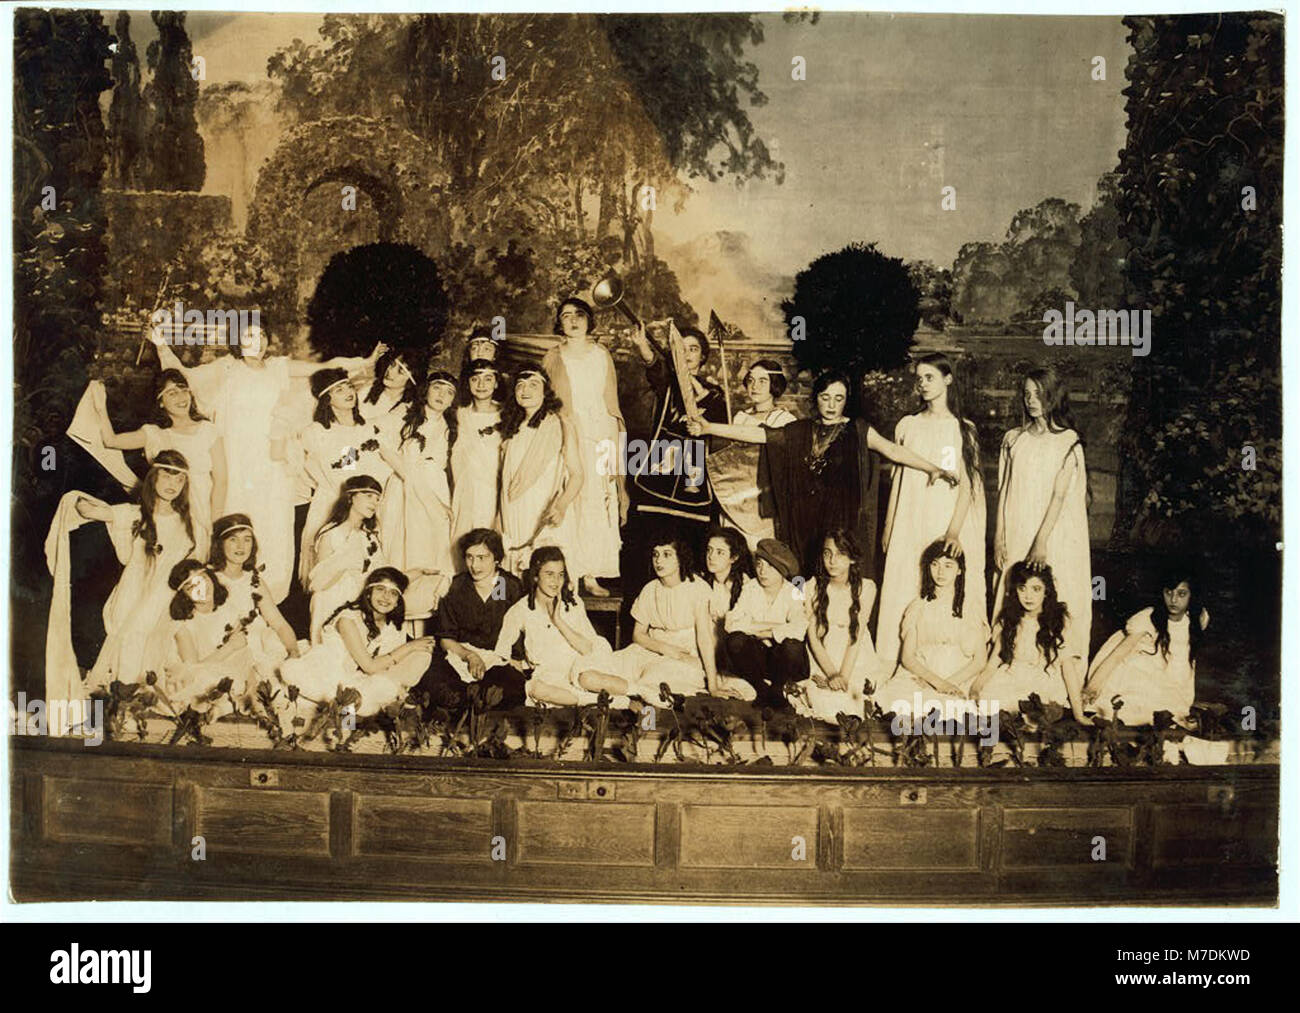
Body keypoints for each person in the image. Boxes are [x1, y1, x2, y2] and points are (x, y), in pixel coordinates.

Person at [152, 324, 383, 602]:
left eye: (261, 336)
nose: (257, 342)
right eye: (249, 337)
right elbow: (186, 380)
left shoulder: (277, 368)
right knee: (237, 518)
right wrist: (160, 344)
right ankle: (230, 591)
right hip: (238, 461)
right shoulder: (227, 369)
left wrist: (366, 362)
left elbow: (327, 365)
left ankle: (269, 596)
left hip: (272, 461)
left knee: (273, 522)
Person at [689, 370, 958, 576]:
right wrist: (710, 428)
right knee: (802, 575)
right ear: (816, 398)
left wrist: (933, 468)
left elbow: (893, 451)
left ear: (846, 401)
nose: (831, 405)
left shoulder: (858, 430)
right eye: (825, 397)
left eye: (838, 398)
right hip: (803, 519)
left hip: (840, 518)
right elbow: (760, 434)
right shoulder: (799, 430)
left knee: (838, 571)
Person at [877, 353, 987, 665]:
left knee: (938, 582)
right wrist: (889, 526)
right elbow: (898, 480)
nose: (923, 384)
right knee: (904, 580)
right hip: (909, 518)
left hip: (943, 518)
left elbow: (967, 484)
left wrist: (952, 530)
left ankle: (940, 663)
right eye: (920, 378)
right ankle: (894, 661)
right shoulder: (907, 425)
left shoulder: (962, 429)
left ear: (948, 379)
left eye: (930, 377)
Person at [73, 449, 198, 687]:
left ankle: (137, 686)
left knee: (146, 633)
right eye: (167, 476)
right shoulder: (136, 514)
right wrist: (81, 501)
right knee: (126, 630)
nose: (173, 484)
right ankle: (124, 686)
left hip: (165, 592)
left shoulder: (187, 521)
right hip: (135, 588)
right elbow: (92, 511)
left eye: (179, 479)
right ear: (154, 478)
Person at [992, 366, 1092, 663]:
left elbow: (1061, 496)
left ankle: (1059, 673)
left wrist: (1041, 541)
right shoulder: (1013, 439)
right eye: (1027, 394)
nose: (1031, 400)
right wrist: (999, 537)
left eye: (1038, 393)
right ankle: (1009, 663)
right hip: (1017, 529)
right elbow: (1004, 490)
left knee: (1055, 593)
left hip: (1053, 534)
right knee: (1015, 593)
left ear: (1053, 396)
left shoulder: (1068, 441)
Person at [625, 322, 728, 590]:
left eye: (693, 349)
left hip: (693, 471)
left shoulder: (714, 393)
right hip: (661, 464)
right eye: (681, 348)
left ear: (703, 357)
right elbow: (655, 370)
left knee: (689, 544)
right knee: (649, 541)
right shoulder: (667, 382)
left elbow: (716, 415)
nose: (688, 353)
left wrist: (689, 380)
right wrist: (643, 347)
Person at [542, 297, 628, 596]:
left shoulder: (601, 354)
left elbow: (611, 399)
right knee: (568, 497)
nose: (573, 320)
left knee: (597, 500)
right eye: (566, 316)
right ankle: (566, 574)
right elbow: (546, 399)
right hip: (566, 432)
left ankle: (591, 574)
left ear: (589, 320)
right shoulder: (552, 356)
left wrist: (612, 441)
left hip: (600, 433)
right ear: (559, 323)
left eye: (579, 314)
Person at [88, 370, 223, 558]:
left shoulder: (208, 431)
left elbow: (221, 481)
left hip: (203, 511)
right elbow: (110, 441)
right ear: (160, 402)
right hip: (168, 513)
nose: (181, 397)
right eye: (171, 393)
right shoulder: (155, 435)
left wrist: (215, 525)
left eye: (183, 389)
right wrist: (101, 408)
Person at [278, 568, 437, 717]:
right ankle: (347, 723)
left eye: (393, 593)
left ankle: (365, 712)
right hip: (331, 673)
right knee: (350, 699)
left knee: (421, 655)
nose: (386, 597)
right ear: (368, 593)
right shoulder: (348, 619)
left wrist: (421, 571)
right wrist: (410, 646)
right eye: (380, 590)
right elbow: (370, 666)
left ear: (398, 601)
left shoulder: (392, 625)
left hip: (361, 677)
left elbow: (380, 665)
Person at [610, 537, 747, 699]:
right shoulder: (649, 588)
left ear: (680, 559)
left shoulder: (697, 588)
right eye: (655, 554)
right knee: (606, 668)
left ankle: (644, 715)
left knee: (653, 681)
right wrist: (665, 649)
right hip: (653, 649)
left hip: (686, 656)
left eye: (667, 555)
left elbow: (705, 639)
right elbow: (638, 635)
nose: (659, 561)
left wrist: (713, 686)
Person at [493, 547, 628, 706]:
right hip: (550, 677)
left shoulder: (572, 602)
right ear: (535, 576)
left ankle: (631, 693)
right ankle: (601, 701)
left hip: (580, 668)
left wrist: (558, 620)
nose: (556, 581)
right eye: (549, 574)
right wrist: (515, 665)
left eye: (561, 575)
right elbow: (501, 649)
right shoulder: (521, 609)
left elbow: (587, 648)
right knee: (537, 691)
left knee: (589, 680)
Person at [873, 539, 989, 717]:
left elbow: (980, 660)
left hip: (959, 676)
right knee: (897, 704)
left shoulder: (972, 607)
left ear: (959, 570)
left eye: (948, 565)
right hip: (924, 674)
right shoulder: (918, 606)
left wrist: (948, 684)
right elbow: (908, 657)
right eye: (935, 565)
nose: (940, 572)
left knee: (955, 711)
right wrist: (936, 683)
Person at [415, 528, 527, 712]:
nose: (475, 565)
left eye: (482, 557)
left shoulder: (507, 586)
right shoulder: (456, 587)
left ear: (496, 559)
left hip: (497, 660)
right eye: (470, 557)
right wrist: (470, 656)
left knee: (507, 690)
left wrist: (516, 661)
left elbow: (519, 630)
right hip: (460, 655)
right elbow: (446, 637)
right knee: (441, 689)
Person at [298, 367, 392, 584]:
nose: (348, 392)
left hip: (366, 503)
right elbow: (343, 473)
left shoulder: (369, 428)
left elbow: (380, 469)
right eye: (339, 389)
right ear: (326, 399)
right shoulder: (319, 432)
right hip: (332, 503)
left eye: (349, 387)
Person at [1084, 563, 1208, 725]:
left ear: (1192, 595)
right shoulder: (1148, 618)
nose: (1174, 600)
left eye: (1181, 594)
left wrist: (1184, 695)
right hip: (1136, 666)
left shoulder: (1199, 618)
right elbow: (1117, 654)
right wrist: (1093, 686)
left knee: (1172, 708)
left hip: (1168, 669)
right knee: (1134, 706)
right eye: (1168, 593)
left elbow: (1186, 657)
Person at [969, 560, 1088, 723]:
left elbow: (1068, 670)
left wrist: (1079, 714)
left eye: (1036, 589)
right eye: (1022, 588)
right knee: (991, 710)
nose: (1028, 596)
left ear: (1047, 591)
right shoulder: (1009, 620)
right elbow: (991, 665)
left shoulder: (1059, 622)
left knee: (1037, 713)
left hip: (1043, 682)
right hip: (1012, 679)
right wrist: (976, 689)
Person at [791, 530, 888, 722]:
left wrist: (843, 675)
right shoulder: (808, 586)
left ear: (852, 559)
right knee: (824, 700)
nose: (832, 560)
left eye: (840, 554)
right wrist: (832, 673)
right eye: (827, 553)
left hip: (853, 655)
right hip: (823, 655)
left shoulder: (867, 587)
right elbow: (812, 635)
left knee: (858, 698)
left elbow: (858, 634)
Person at [497, 367, 584, 576]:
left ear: (546, 391)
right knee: (515, 575)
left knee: (546, 574)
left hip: (545, 509)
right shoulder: (512, 428)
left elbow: (577, 475)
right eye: (520, 385)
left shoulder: (560, 425)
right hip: (514, 510)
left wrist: (561, 506)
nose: (525, 390)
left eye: (533, 385)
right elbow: (504, 479)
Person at [161, 559, 269, 709]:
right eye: (191, 586)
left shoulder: (228, 611)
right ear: (184, 595)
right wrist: (230, 647)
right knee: (208, 681)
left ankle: (245, 697)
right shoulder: (183, 626)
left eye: (203, 580)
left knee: (257, 674)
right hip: (198, 675)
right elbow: (193, 669)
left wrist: (252, 688)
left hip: (229, 671)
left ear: (211, 578)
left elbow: (243, 657)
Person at [379, 368, 456, 577]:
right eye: (437, 388)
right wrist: (410, 478)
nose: (441, 395)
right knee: (401, 541)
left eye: (449, 392)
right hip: (405, 484)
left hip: (435, 485)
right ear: (426, 390)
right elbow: (382, 446)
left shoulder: (449, 426)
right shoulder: (406, 412)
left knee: (430, 542)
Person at [722, 537, 809, 709]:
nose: (763, 571)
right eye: (759, 564)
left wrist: (765, 631)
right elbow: (731, 623)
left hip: (785, 662)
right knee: (735, 641)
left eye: (770, 567)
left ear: (782, 570)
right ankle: (761, 688)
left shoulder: (794, 590)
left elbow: (800, 627)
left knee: (792, 646)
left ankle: (778, 688)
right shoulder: (751, 587)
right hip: (759, 659)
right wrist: (775, 627)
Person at [209, 513, 301, 676]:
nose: (241, 546)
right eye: (233, 539)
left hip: (260, 647)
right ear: (220, 544)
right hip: (228, 651)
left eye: (247, 539)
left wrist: (293, 651)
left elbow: (279, 623)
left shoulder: (254, 580)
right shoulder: (209, 579)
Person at [305, 474, 386, 642]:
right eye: (369, 496)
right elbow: (319, 583)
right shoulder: (331, 534)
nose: (374, 502)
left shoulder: (370, 537)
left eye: (378, 499)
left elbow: (380, 574)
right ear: (351, 497)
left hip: (362, 602)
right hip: (332, 600)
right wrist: (348, 562)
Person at [449, 357, 504, 557]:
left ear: (497, 382)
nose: (481, 385)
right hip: (466, 486)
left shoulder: (505, 414)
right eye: (475, 379)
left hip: (493, 486)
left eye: (488, 379)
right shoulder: (460, 414)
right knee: (464, 533)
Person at [361, 347, 419, 451]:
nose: (390, 372)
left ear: (411, 381)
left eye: (400, 371)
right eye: (392, 365)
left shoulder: (408, 408)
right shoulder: (367, 391)